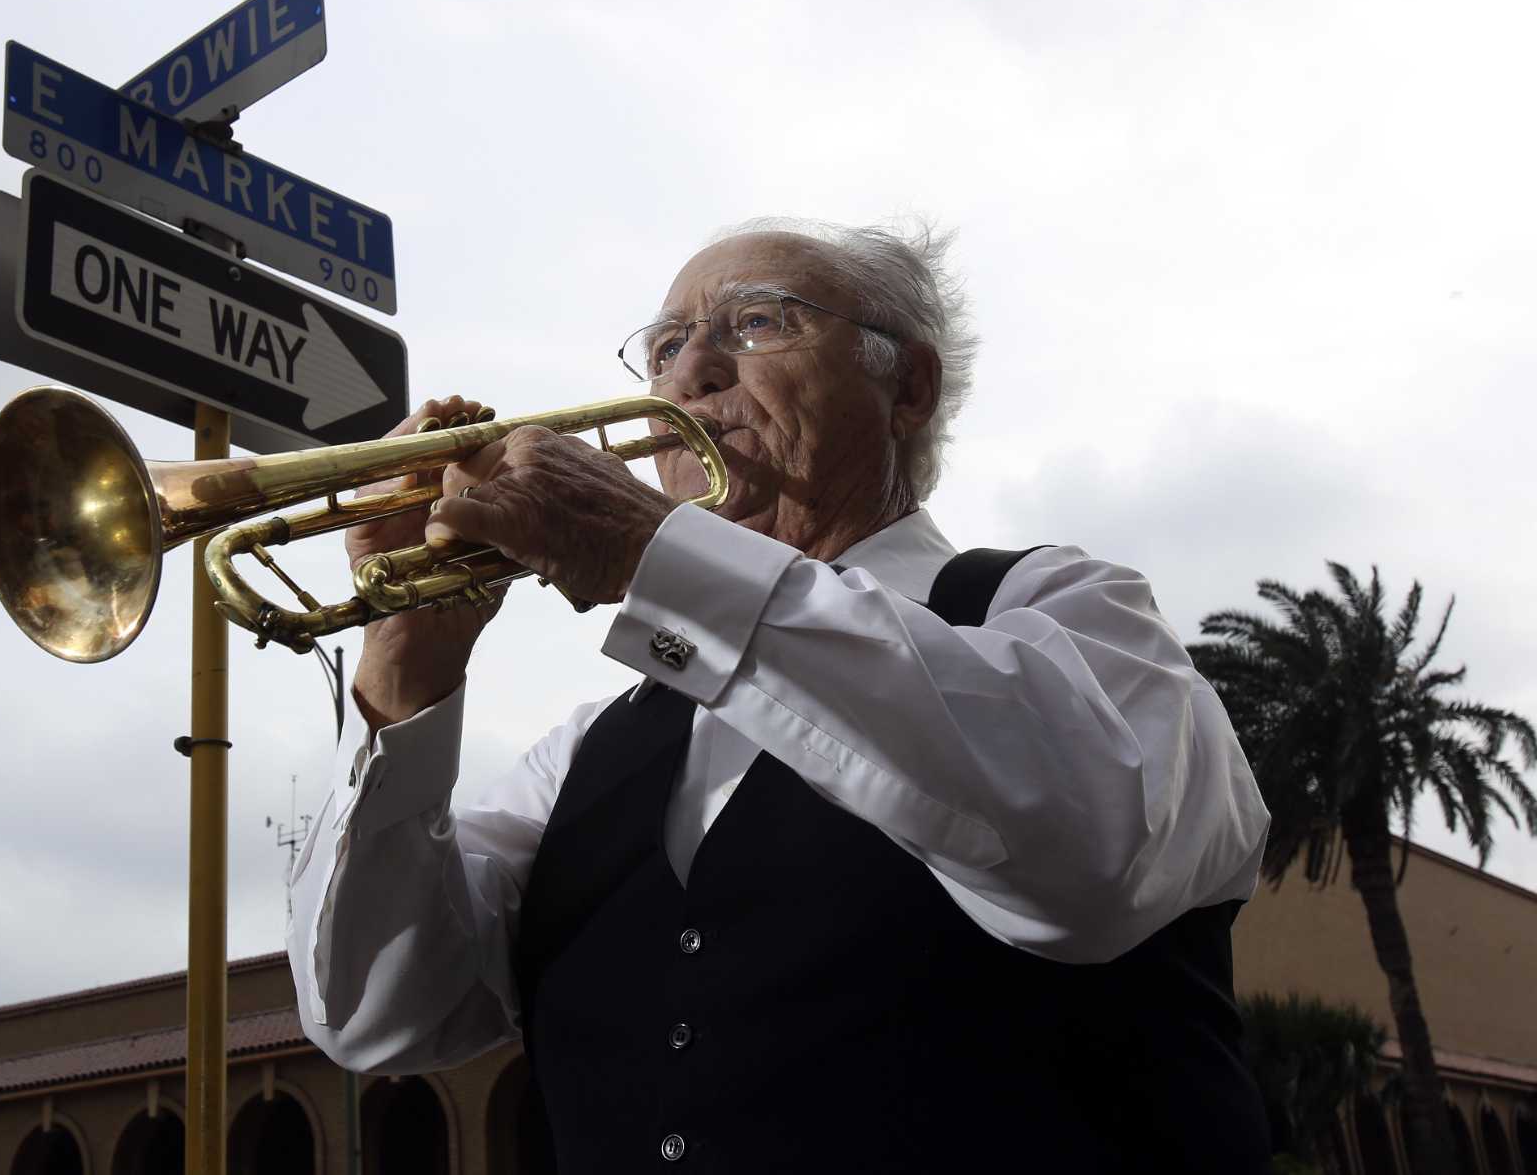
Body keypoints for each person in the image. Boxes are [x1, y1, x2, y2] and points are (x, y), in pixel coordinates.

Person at [286, 219, 1272, 1172]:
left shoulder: (1062, 608)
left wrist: (650, 553)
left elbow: (1087, 850)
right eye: (664, 345)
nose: (691, 370)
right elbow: (379, 1014)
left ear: (909, 386)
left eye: (756, 322)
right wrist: (402, 657)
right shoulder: (585, 750)